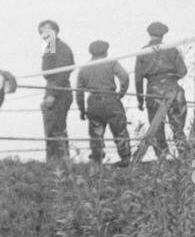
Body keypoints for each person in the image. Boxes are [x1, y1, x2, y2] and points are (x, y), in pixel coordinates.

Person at [134, 22, 188, 158]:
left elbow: (138, 79)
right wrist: (170, 78)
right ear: (163, 35)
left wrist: (140, 100)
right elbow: (183, 71)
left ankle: (162, 160)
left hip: (153, 91)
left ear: (149, 34)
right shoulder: (171, 49)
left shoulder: (143, 52)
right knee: (178, 128)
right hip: (174, 90)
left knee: (156, 129)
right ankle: (186, 158)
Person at [76, 41, 131, 165]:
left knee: (96, 133)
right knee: (120, 130)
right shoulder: (111, 62)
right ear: (105, 51)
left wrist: (82, 109)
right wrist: (121, 93)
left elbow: (79, 91)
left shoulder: (85, 68)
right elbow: (125, 76)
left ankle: (97, 159)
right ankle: (125, 158)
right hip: (111, 100)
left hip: (94, 103)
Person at [38, 20, 75, 164]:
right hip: (52, 88)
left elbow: (62, 73)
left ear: (56, 31)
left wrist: (52, 94)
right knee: (51, 126)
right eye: (42, 32)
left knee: (57, 126)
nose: (44, 34)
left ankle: (61, 162)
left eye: (48, 30)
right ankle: (53, 161)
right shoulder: (51, 48)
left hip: (59, 90)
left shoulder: (61, 48)